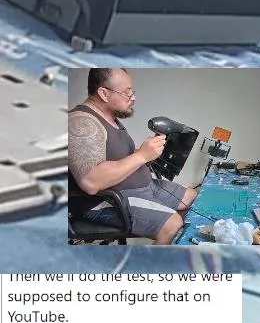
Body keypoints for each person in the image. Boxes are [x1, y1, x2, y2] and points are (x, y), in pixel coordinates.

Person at [67, 68, 196, 245]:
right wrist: (142, 156)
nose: (133, 98)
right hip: (109, 200)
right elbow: (91, 181)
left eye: (132, 92)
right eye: (127, 93)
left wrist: (148, 153)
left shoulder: (111, 119)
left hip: (143, 187)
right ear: (104, 93)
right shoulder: (82, 122)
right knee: (171, 225)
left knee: (192, 197)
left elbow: (116, 158)